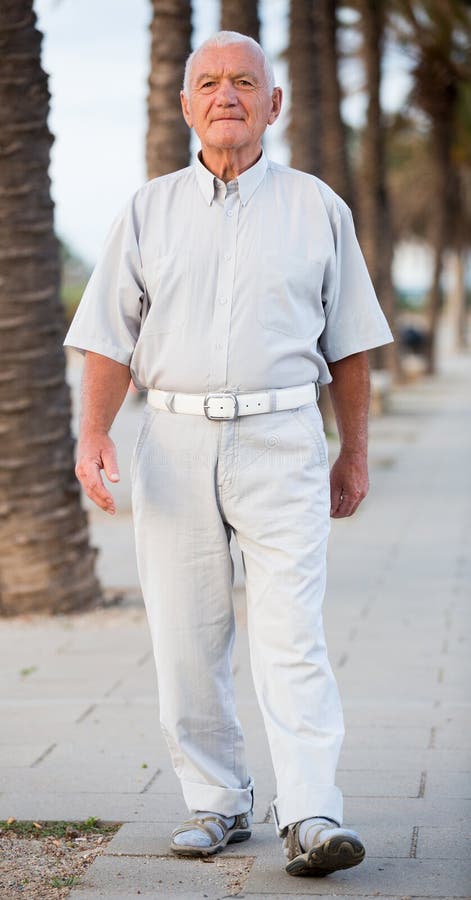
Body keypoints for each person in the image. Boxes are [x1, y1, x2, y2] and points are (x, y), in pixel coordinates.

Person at [64, 31, 393, 878]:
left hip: (283, 437)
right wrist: (94, 431)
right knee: (185, 635)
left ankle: (312, 812)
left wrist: (351, 453)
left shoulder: (317, 207)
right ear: (185, 107)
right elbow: (109, 337)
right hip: (171, 442)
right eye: (207, 82)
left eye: (245, 81)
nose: (226, 95)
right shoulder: (147, 210)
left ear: (274, 104)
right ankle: (216, 804)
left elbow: (349, 345)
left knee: (291, 635)